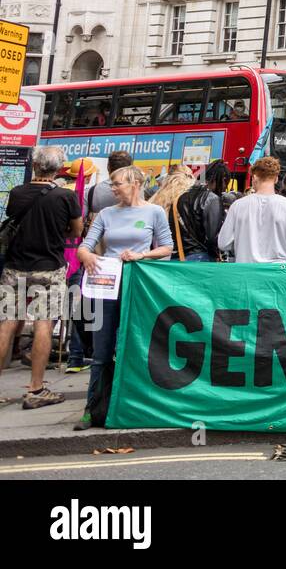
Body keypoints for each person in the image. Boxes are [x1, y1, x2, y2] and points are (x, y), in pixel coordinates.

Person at [74, 165, 173, 429]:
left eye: (117, 183)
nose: (113, 188)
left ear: (135, 183)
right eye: (112, 184)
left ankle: (132, 406)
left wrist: (142, 255)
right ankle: (91, 409)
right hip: (106, 286)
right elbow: (84, 245)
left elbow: (166, 247)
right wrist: (86, 255)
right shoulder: (106, 214)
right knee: (102, 350)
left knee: (135, 347)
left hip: (137, 285)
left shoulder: (154, 212)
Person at [0, 146, 83, 410]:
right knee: (43, 325)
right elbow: (76, 232)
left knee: (7, 324)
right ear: (58, 169)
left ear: (34, 165)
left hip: (14, 267)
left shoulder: (17, 193)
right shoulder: (66, 197)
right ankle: (35, 388)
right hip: (49, 268)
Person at [216, 157, 286, 264]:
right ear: (276, 179)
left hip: (247, 271)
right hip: (277, 271)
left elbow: (223, 243)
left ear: (254, 177)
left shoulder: (237, 206)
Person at [171, 161, 227, 262]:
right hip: (201, 260)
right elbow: (212, 238)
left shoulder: (179, 198)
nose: (225, 187)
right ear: (221, 179)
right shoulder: (212, 199)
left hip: (177, 258)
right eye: (225, 181)